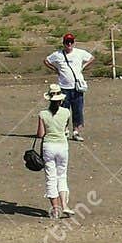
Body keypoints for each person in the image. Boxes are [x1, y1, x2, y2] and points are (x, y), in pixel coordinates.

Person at [33, 83, 73, 219]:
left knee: (51, 178)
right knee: (62, 175)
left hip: (48, 146)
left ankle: (56, 209)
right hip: (62, 146)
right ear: (61, 99)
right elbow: (65, 129)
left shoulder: (43, 114)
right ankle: (65, 205)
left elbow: (40, 134)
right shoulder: (66, 112)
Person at [44, 33, 95, 140]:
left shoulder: (80, 53)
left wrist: (83, 66)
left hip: (77, 87)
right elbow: (46, 61)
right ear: (64, 43)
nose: (69, 44)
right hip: (64, 87)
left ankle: (76, 131)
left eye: (71, 42)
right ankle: (65, 130)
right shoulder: (58, 54)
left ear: (74, 43)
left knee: (78, 110)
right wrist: (56, 69)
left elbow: (91, 58)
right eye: (67, 42)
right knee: (64, 110)